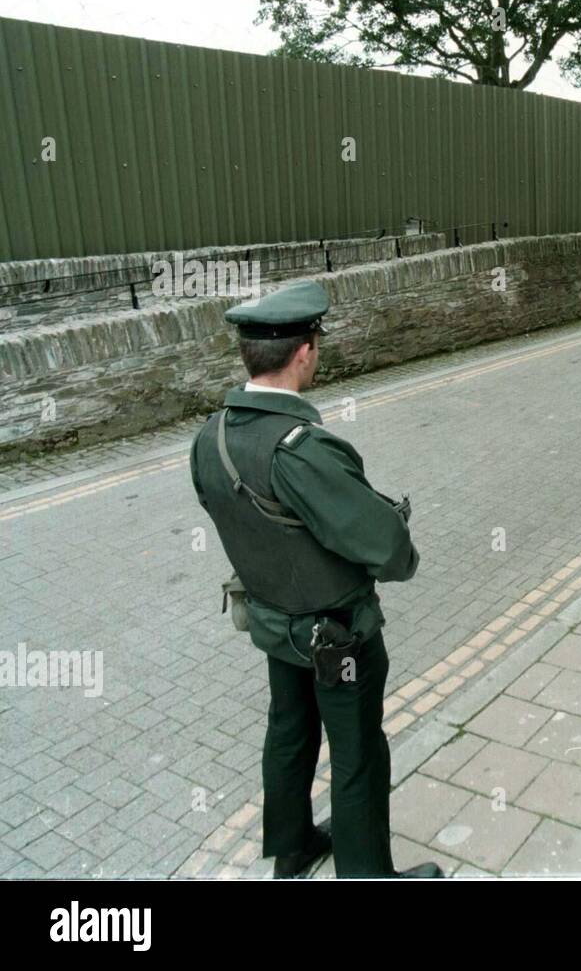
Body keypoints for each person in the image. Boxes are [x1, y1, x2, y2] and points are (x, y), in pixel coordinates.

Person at [189, 279, 441, 879]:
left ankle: (294, 849)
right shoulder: (300, 449)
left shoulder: (210, 438)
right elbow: (387, 549)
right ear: (303, 352)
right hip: (339, 638)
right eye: (317, 346)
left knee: (289, 735)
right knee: (356, 756)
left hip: (276, 627)